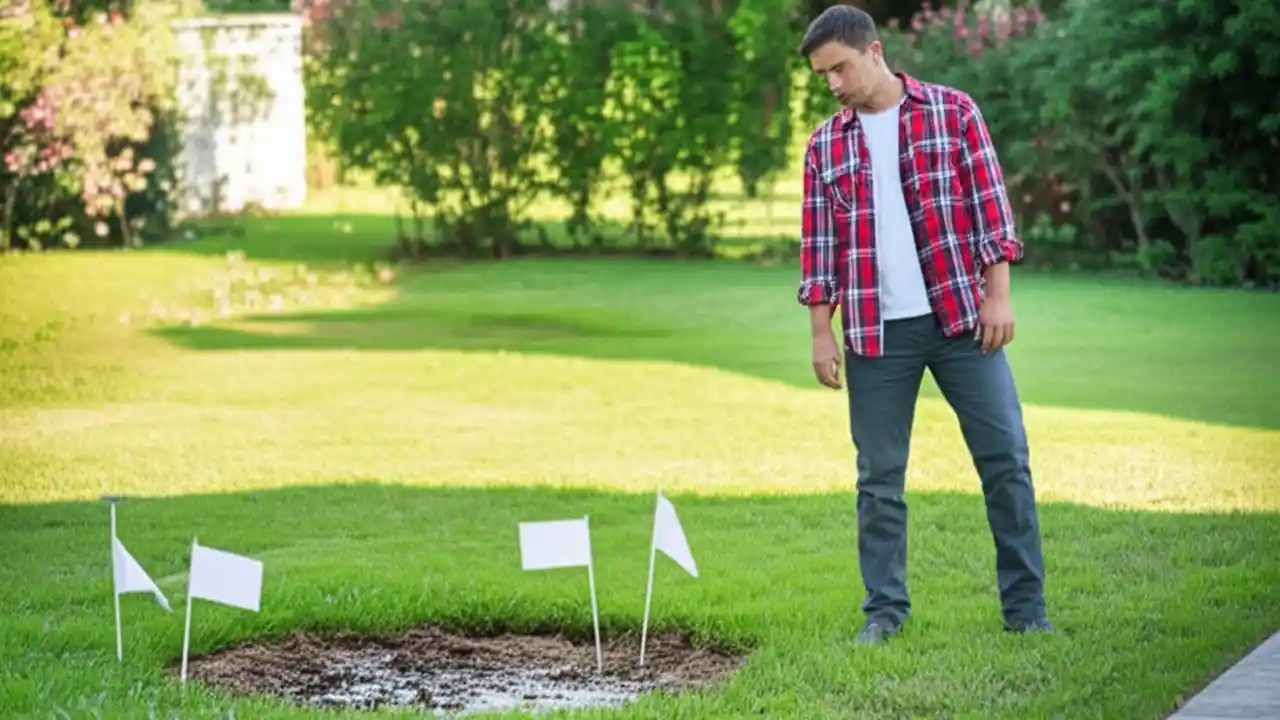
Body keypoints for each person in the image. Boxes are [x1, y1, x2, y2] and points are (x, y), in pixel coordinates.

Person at [795, 4, 1052, 645]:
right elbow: (819, 246)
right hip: (877, 336)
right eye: (822, 75)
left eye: (839, 68)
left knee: (1006, 463)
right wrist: (821, 332)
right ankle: (883, 613)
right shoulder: (825, 145)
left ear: (874, 52)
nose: (832, 84)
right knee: (878, 479)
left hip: (964, 320)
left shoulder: (953, 112)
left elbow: (991, 208)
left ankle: (1026, 612)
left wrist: (999, 297)